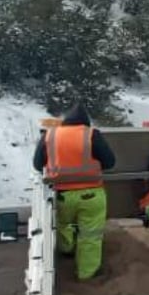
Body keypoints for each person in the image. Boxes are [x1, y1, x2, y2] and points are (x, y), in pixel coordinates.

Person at [31, 105, 116, 281]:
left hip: (62, 194)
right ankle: (87, 274)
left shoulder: (50, 135)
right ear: (85, 122)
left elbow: (37, 164)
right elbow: (109, 162)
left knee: (64, 225)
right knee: (90, 235)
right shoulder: (92, 134)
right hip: (91, 194)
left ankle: (67, 249)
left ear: (65, 121)